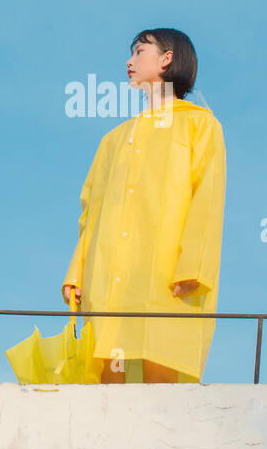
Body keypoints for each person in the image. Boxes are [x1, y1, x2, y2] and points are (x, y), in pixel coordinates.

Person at [61, 28, 227, 384]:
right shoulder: (114, 139)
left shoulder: (201, 125)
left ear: (167, 58)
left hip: (166, 271)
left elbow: (207, 199)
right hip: (108, 271)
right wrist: (78, 272)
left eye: (139, 51)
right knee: (107, 368)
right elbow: (91, 211)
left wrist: (193, 266)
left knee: (160, 359)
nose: (129, 61)